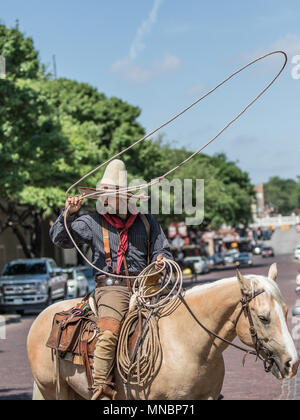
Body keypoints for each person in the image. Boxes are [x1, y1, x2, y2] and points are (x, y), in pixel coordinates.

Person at [49, 159, 173, 400]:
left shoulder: (147, 221)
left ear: (125, 198)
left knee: (178, 320)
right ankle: (101, 389)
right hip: (112, 287)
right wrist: (68, 214)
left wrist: (160, 260)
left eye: (110, 196)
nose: (104, 201)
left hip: (145, 284)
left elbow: (163, 251)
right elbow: (59, 240)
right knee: (109, 331)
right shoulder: (92, 221)